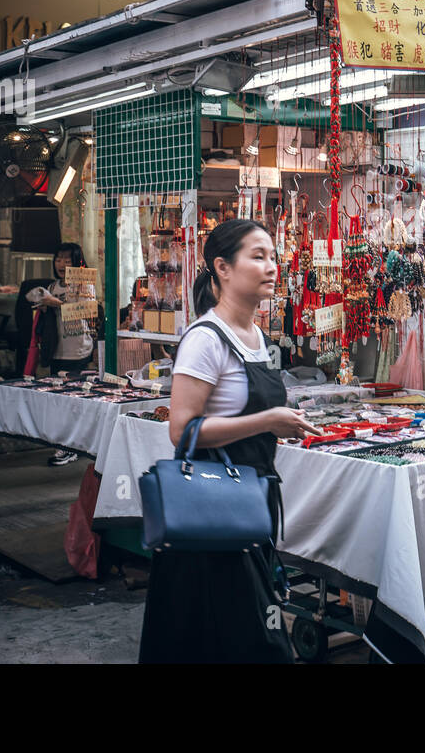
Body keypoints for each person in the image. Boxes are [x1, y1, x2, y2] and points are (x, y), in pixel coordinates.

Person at [139, 219, 321, 664]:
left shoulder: (258, 337)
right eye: (257, 256)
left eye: (273, 256)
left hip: (250, 502)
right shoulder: (205, 339)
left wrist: (280, 423)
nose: (272, 266)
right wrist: (266, 421)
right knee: (247, 637)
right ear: (222, 267)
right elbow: (181, 430)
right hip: (212, 511)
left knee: (230, 636)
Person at [35, 242, 99, 467]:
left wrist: (56, 304)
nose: (61, 264)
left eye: (67, 260)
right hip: (56, 350)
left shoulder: (83, 284)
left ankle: (71, 447)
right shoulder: (52, 286)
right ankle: (65, 445)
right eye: (58, 259)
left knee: (74, 400)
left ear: (77, 263)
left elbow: (87, 311)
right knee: (59, 400)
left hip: (78, 349)